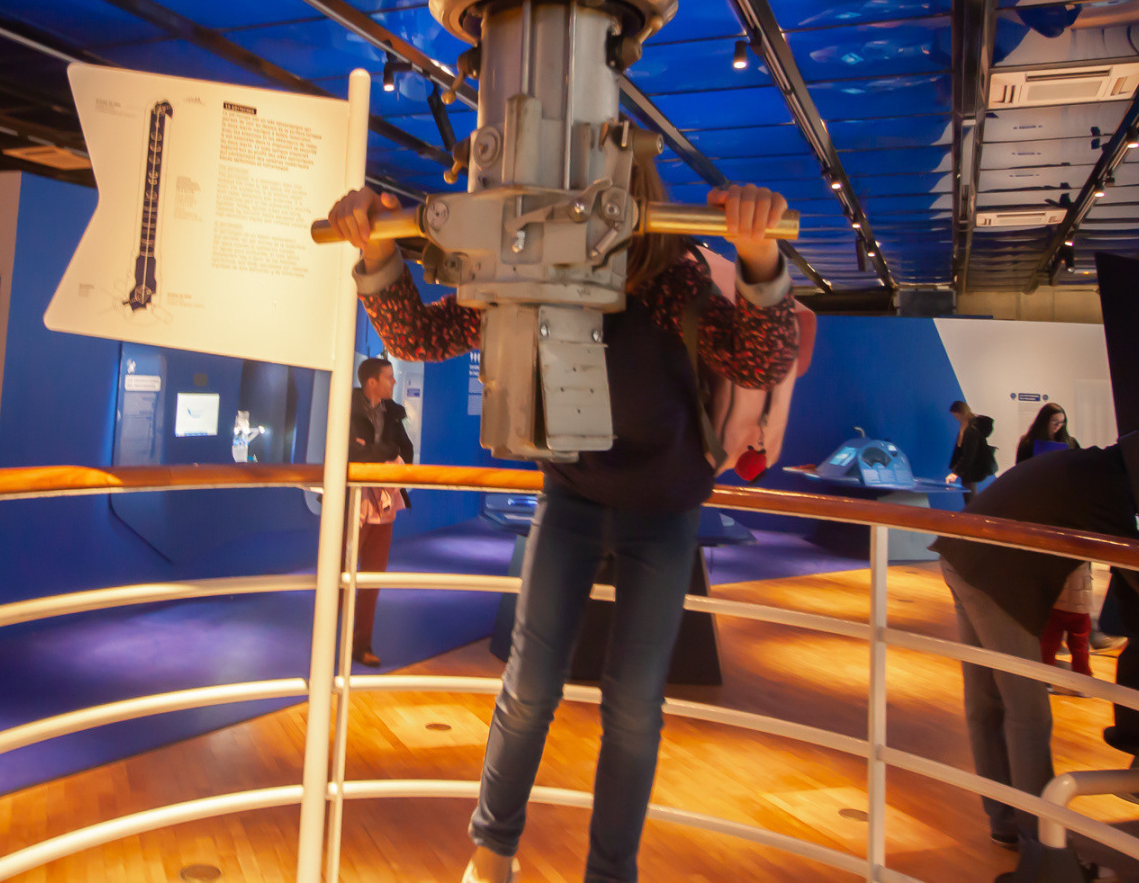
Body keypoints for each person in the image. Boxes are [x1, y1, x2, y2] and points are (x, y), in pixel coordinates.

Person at [326, 172, 799, 883]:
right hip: (573, 493)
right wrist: (374, 253)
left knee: (635, 706)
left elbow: (760, 357)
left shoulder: (671, 274)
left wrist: (761, 259)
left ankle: (610, 873)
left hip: (665, 509)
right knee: (530, 684)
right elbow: (419, 334)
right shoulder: (531, 271)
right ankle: (492, 851)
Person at [930, 446, 1139, 873]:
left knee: (986, 702)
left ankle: (1006, 821)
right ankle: (1041, 840)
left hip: (962, 556)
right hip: (996, 577)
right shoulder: (1113, 485)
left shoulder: (1082, 464)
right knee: (1028, 713)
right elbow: (1137, 563)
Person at [348, 356, 413, 668]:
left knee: (372, 579)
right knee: (341, 576)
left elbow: (406, 452)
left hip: (384, 508)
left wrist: (378, 454)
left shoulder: (394, 415)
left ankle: (361, 646)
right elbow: (353, 454)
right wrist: (385, 453)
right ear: (371, 382)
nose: (394, 382)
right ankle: (325, 643)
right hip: (353, 504)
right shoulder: (345, 409)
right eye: (389, 377)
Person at [1039, 564, 1093, 696]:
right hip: (1079, 605)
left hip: (1058, 603)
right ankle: (1083, 683)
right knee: (1079, 647)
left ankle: (1045, 680)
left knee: (1048, 645)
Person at [945, 402, 997, 495]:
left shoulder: (970, 430)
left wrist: (956, 472)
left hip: (971, 470)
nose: (956, 419)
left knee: (971, 498)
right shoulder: (967, 427)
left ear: (961, 413)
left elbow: (969, 454)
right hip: (969, 470)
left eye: (956, 416)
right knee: (970, 496)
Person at [1015, 402, 1079, 464]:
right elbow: (1020, 468)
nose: (1058, 425)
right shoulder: (1027, 443)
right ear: (1044, 421)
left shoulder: (1071, 442)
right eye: (1054, 421)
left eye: (1061, 422)